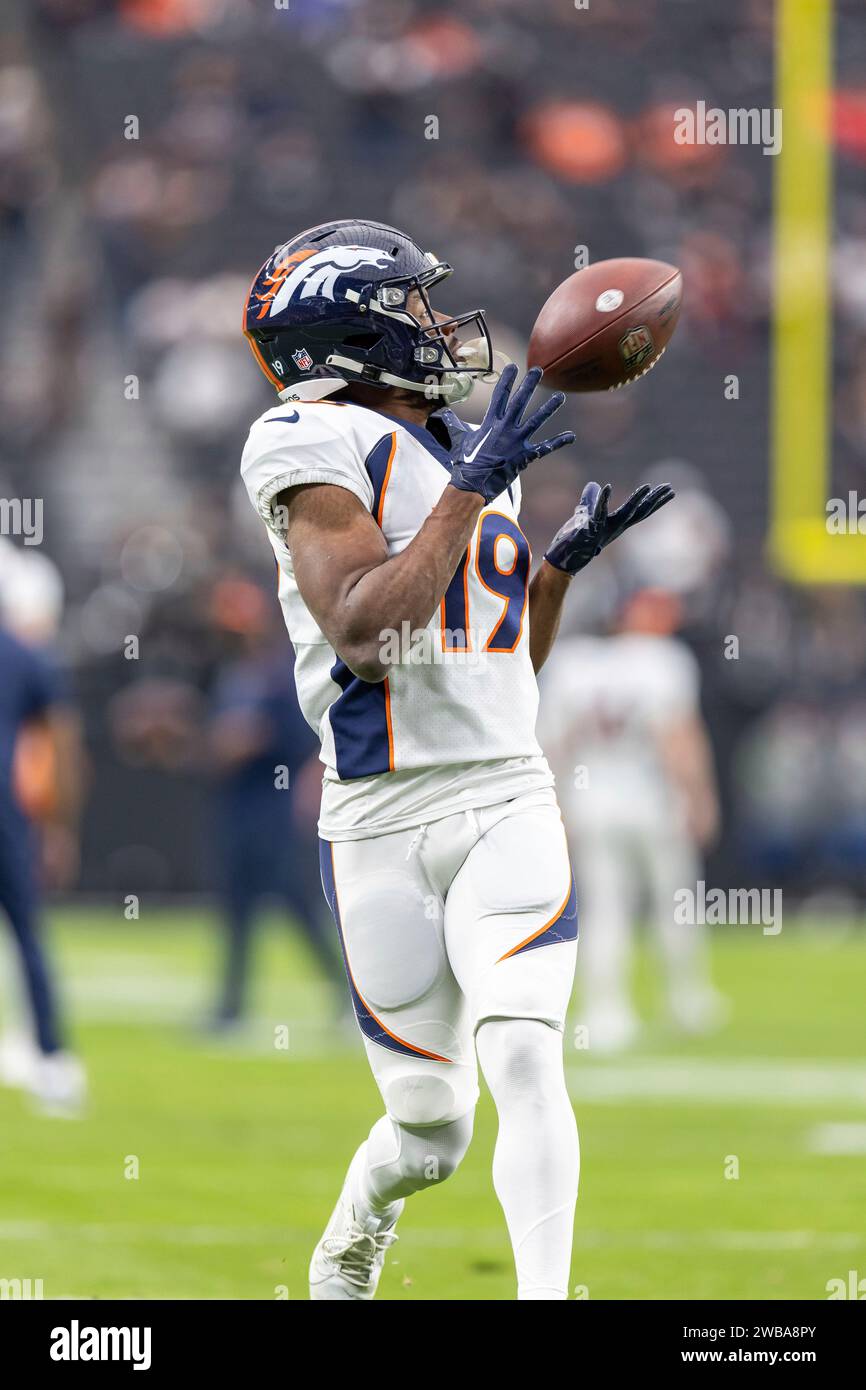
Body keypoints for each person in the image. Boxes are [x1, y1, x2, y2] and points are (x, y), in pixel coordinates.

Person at [240, 219, 673, 1300]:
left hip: (503, 795)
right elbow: (363, 632)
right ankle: (355, 1225)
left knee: (524, 1049)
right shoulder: (305, 440)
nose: (439, 325)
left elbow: (498, 672)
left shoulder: (462, 445)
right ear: (347, 334)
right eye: (413, 307)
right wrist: (469, 489)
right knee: (428, 1131)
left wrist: (555, 575)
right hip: (378, 816)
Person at [539, 585, 724, 1052]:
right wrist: (700, 798)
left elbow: (552, 746)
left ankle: (606, 1014)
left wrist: (554, 806)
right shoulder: (661, 660)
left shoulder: (571, 663)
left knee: (605, 911)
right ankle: (687, 999)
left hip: (593, 801)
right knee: (677, 903)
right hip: (652, 799)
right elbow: (677, 738)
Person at [0, 618, 85, 1114]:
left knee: (29, 936)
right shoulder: (20, 650)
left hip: (10, 815)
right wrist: (59, 826)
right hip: (9, 815)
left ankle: (53, 1061)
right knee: (28, 934)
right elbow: (62, 736)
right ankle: (54, 1063)